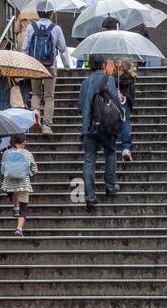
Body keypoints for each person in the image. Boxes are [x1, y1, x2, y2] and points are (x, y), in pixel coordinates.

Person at [78, 56, 120, 211]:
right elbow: (114, 101)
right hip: (106, 126)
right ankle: (110, 186)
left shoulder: (84, 83)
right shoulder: (108, 80)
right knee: (110, 152)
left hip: (89, 126)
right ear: (103, 65)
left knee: (89, 160)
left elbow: (80, 107)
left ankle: (90, 196)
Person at [21, 11, 68, 134]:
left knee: (36, 93)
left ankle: (35, 115)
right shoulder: (56, 28)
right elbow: (63, 48)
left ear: (38, 13)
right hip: (50, 66)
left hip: (35, 65)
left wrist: (27, 65)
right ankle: (47, 126)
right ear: (51, 14)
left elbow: (25, 48)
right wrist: (67, 66)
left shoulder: (32, 27)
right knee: (49, 96)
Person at [0, 133, 37, 237]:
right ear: (19, 144)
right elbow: (34, 169)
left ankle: (15, 207)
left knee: (15, 189)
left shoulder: (6, 153)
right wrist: (28, 173)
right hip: (24, 182)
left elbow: (3, 170)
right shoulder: (27, 153)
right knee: (24, 206)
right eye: (24, 143)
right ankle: (19, 229)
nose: (25, 145)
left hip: (10, 182)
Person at [13, 8, 40, 106]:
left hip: (22, 37)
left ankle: (24, 101)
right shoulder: (37, 13)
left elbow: (16, 29)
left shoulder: (22, 12)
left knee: (23, 70)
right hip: (34, 37)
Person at [116, 60, 137, 162]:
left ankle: (126, 148)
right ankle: (125, 147)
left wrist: (123, 98)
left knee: (125, 121)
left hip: (124, 100)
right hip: (112, 100)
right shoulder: (112, 74)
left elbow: (131, 88)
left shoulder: (129, 76)